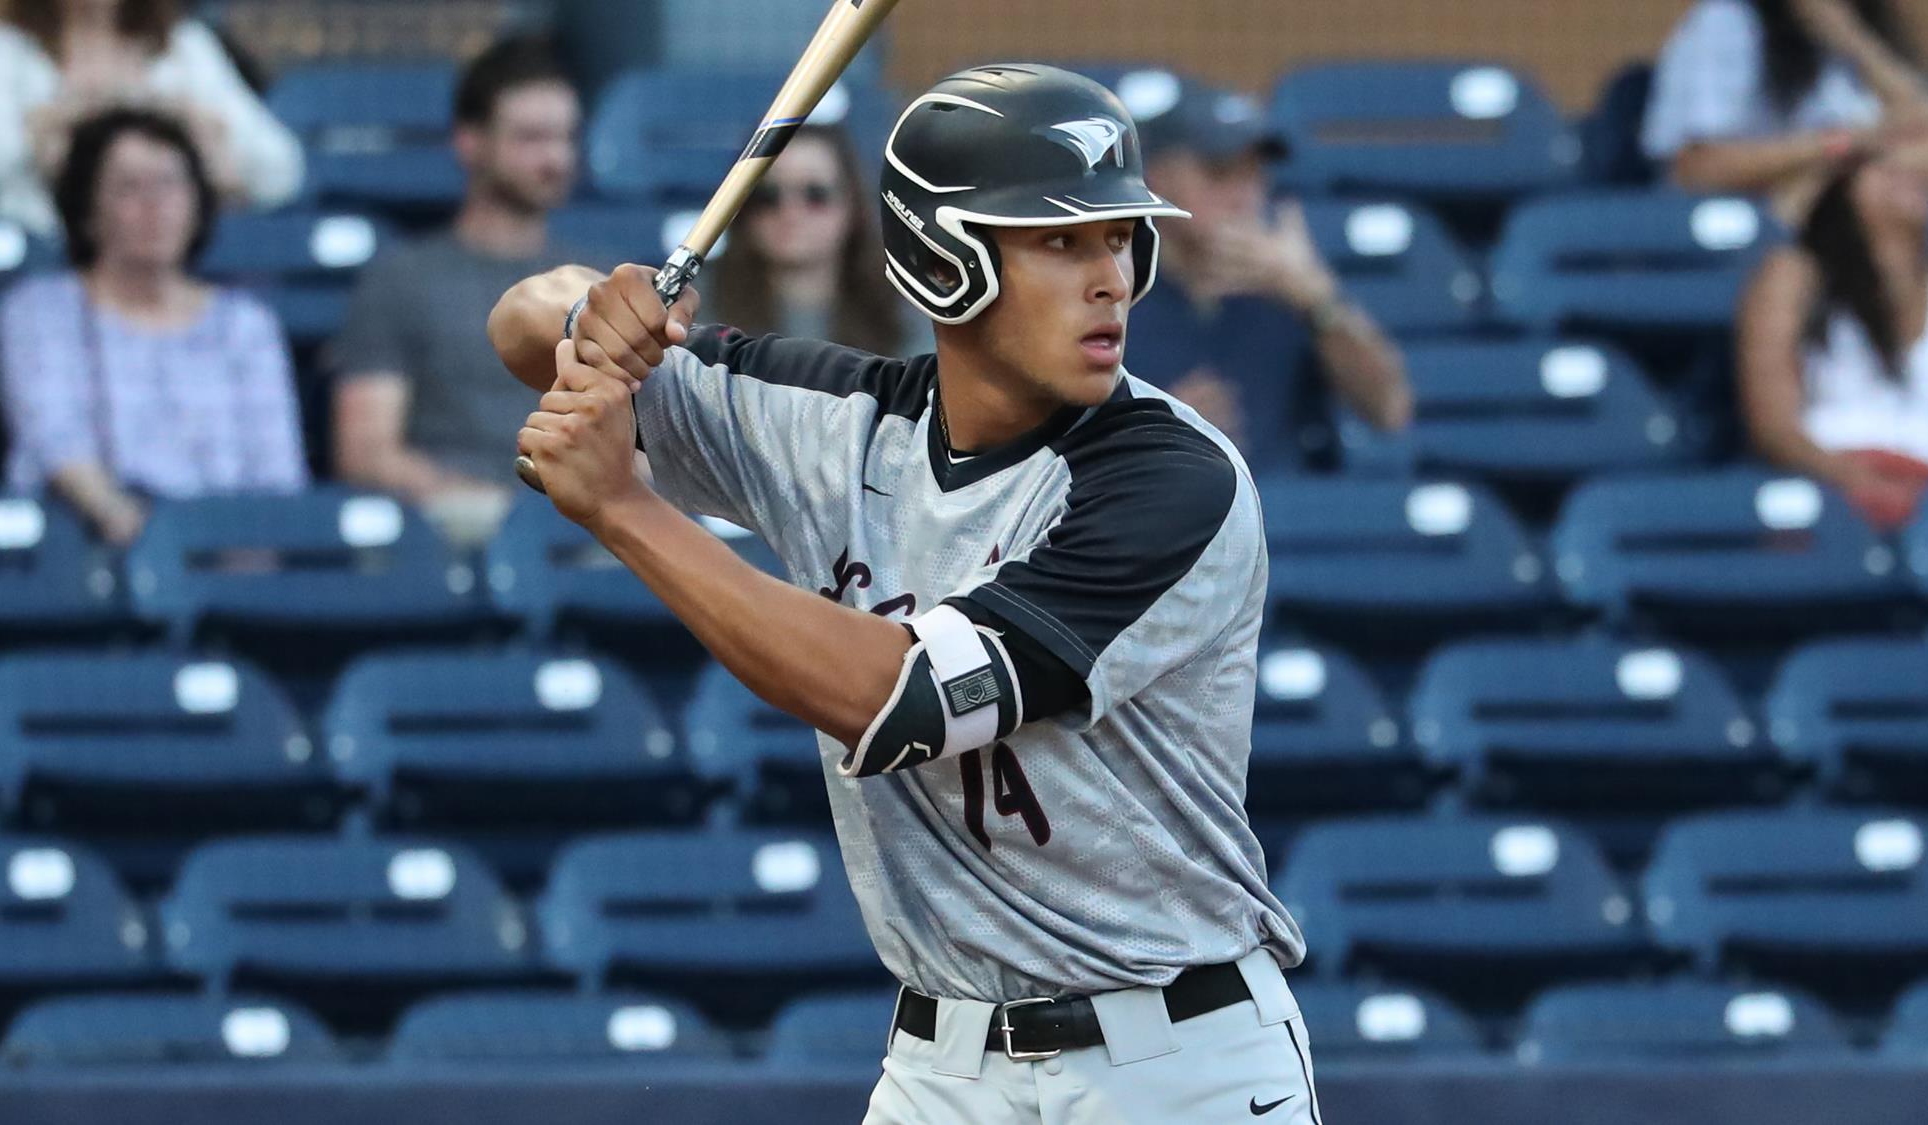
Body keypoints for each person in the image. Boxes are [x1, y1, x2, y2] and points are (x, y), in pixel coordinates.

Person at [490, 65, 1315, 1122]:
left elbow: (908, 702)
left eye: (1117, 236)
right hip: (944, 1061)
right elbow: (520, 330)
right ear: (941, 260)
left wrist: (628, 513)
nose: (1109, 275)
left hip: (1172, 1060)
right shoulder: (840, 417)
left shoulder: (1169, 479)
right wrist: (593, 312)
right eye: (1059, 242)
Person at [0, 107, 305, 544]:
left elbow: (277, 473)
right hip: (85, 548)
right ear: (87, 208)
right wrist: (127, 523)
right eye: (128, 187)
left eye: (171, 183)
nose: (154, 204)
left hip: (226, 554)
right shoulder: (38, 310)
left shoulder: (246, 325)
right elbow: (54, 437)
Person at [329, 36, 590, 546]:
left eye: (565, 137)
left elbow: (648, 442)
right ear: (470, 142)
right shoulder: (401, 277)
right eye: (532, 138)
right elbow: (365, 451)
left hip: (581, 520)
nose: (556, 158)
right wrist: (486, 508)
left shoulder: (597, 280)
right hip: (447, 525)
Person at [1124, 71, 1410, 473]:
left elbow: (1389, 410)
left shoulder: (1292, 288)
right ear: (1159, 175)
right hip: (1152, 518)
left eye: (1255, 172)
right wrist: (1149, 431)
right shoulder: (1113, 290)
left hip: (1287, 517)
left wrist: (1318, 300)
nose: (1244, 196)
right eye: (1220, 172)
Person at [1737, 157, 1928, 530]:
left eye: (1914, 172)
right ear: (1840, 193)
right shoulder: (1794, 274)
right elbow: (1773, 424)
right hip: (1826, 490)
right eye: (1882, 168)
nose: (1907, 175)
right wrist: (1857, 482)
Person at [1644, 0, 1928, 220]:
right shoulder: (1726, 19)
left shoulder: (1857, 27)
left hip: (1849, 204)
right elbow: (1696, 169)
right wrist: (1837, 146)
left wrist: (1851, 38)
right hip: (1756, 217)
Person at [0, 0, 304, 237]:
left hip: (176, 263)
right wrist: (44, 131)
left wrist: (195, 131)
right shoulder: (8, 48)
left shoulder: (184, 45)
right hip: (44, 254)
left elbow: (279, 172)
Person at [701, 122, 930, 358]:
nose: (790, 212)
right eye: (768, 195)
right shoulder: (695, 304)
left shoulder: (908, 314)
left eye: (815, 194)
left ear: (852, 204)